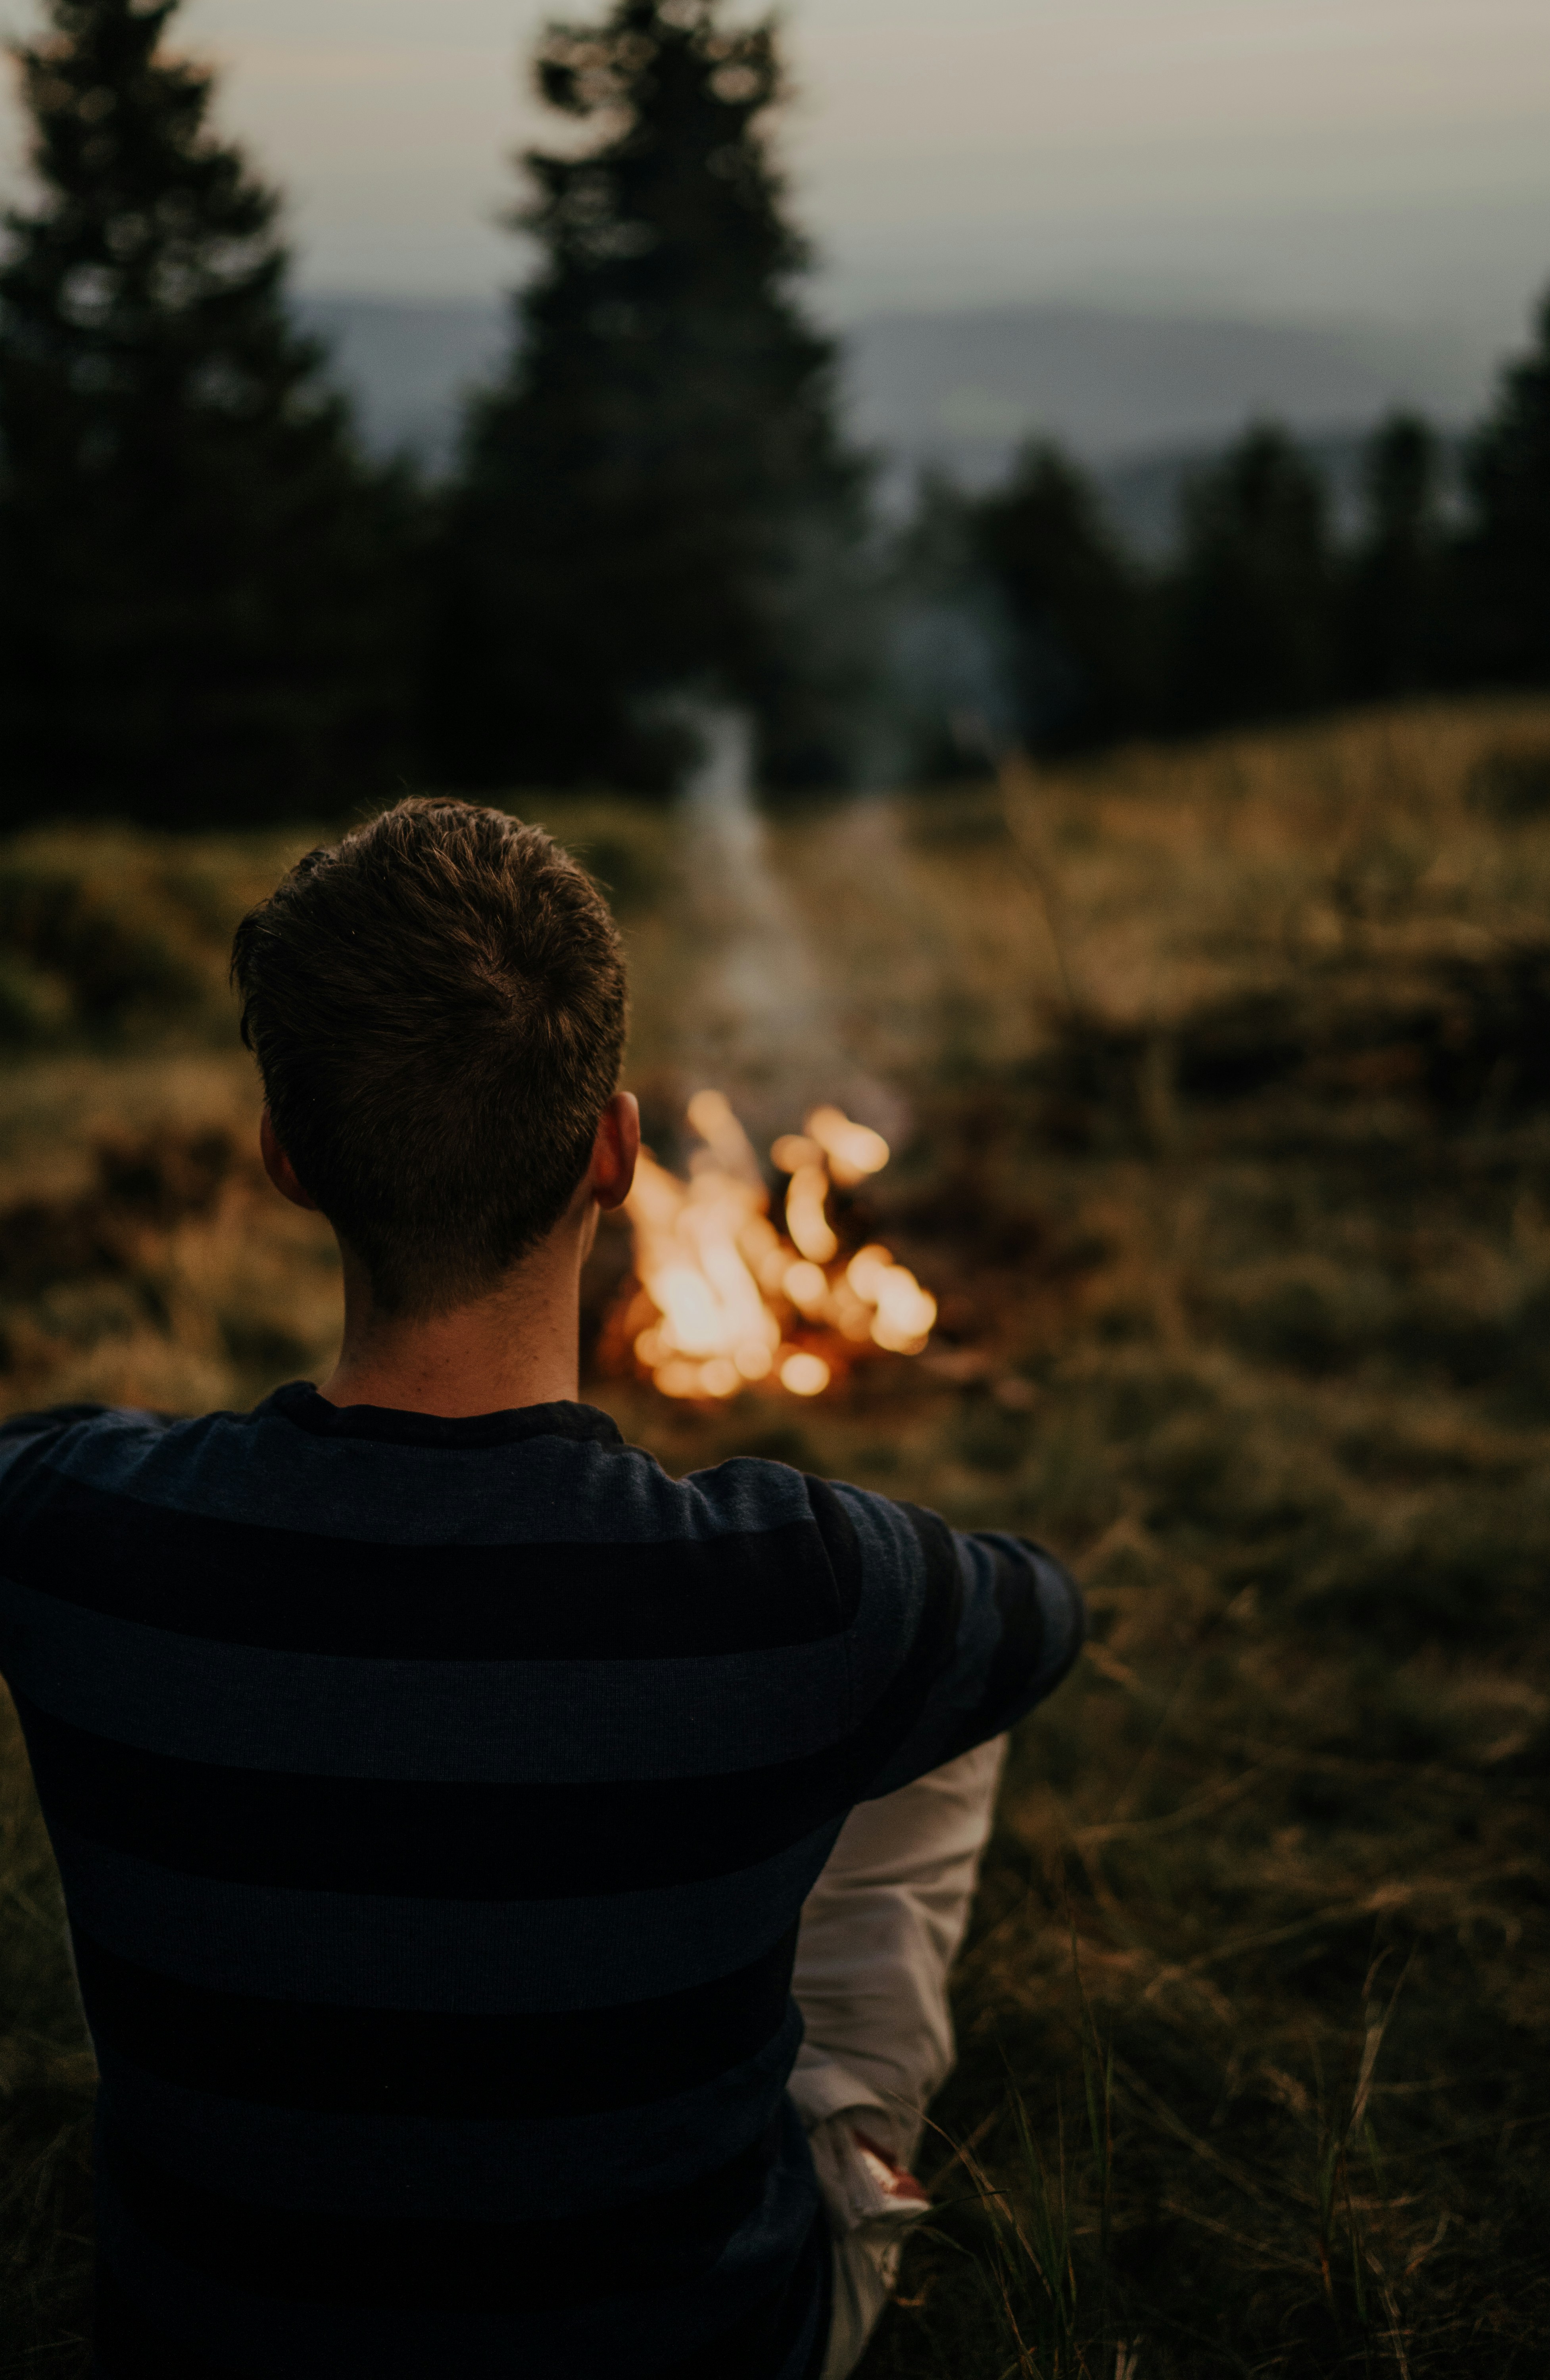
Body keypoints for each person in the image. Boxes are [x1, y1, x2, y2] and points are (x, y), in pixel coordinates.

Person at [0, 798, 1083, 2380]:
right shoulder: (812, 1587)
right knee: (937, 1714)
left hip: (203, 2341)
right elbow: (1042, 1611)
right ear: (616, 1151)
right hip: (704, 2344)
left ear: (288, 1159)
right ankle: (848, 2155)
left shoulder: (72, 1527)